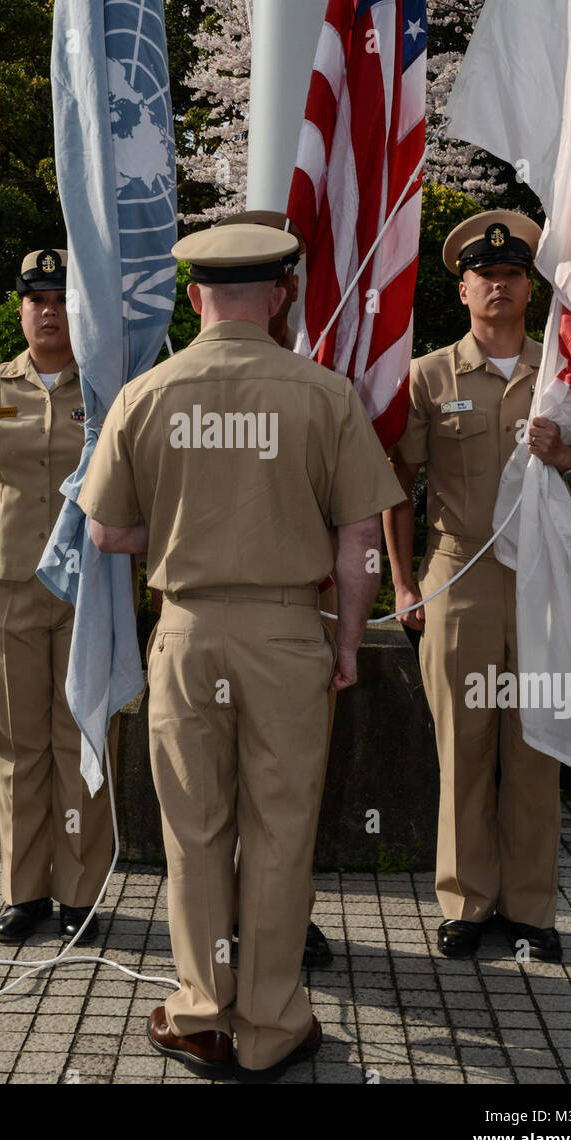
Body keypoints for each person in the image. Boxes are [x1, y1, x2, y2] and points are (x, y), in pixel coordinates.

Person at [78, 222, 405, 1082]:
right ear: (280, 294)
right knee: (281, 829)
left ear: (195, 299)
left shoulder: (146, 393)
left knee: (193, 832)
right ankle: (269, 1023)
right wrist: (343, 641)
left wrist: (184, 529)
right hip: (288, 633)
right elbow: (359, 535)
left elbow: (107, 529)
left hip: (186, 632)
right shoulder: (324, 393)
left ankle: (199, 1016)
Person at [383, 211, 571, 963]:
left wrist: (562, 455)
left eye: (512, 274)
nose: (498, 285)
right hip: (459, 578)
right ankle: (465, 902)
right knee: (463, 745)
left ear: (530, 287)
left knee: (533, 746)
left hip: (541, 581)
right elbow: (397, 485)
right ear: (463, 290)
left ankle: (529, 908)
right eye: (485, 276)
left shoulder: (566, 376)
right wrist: (400, 583)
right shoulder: (427, 376)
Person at [0, 248, 118, 945]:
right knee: (18, 742)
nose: (48, 312)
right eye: (36, 301)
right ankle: (25, 892)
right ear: (20, 311)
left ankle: (80, 893)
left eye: (60, 300)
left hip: (89, 587)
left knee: (81, 734)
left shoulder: (109, 388)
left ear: (77, 310)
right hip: (9, 584)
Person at [220, 208, 335, 970]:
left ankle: (285, 916)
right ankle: (230, 926)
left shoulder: (315, 375)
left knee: (285, 789)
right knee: (221, 792)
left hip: (294, 603)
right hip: (219, 610)